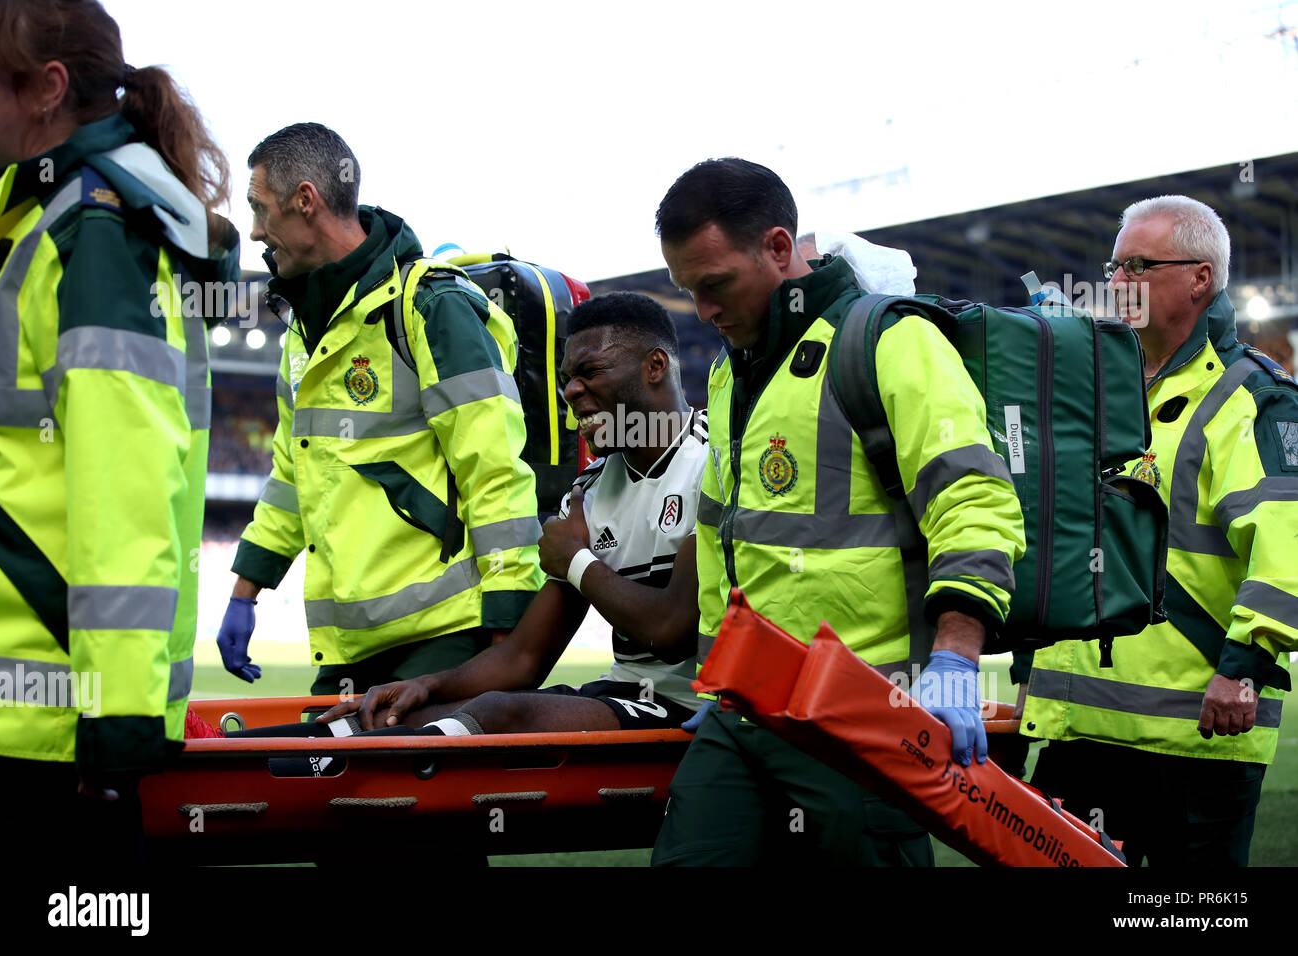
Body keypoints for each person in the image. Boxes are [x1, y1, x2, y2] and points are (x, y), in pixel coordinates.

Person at [649, 158, 1026, 867]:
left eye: (715, 285)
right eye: (688, 292)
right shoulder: (732, 371)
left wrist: (954, 657)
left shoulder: (888, 340)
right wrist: (715, 673)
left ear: (780, 248)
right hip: (742, 709)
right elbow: (718, 530)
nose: (703, 311)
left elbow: (974, 500)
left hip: (862, 716)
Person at [226, 292, 705, 747]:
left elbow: (671, 631)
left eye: (590, 371)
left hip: (693, 706)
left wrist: (577, 562)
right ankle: (228, 756)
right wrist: (426, 685)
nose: (571, 391)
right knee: (394, 713)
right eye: (565, 379)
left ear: (654, 366)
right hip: (624, 694)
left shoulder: (714, 464)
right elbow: (525, 657)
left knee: (498, 711)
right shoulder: (590, 491)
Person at [0, 0, 239, 861]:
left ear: (43, 88)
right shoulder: (42, 223)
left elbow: (124, 485)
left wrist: (116, 727)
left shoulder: (91, 233)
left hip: (42, 726)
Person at [216, 123, 543, 695]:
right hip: (351, 651)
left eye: (259, 209)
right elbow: (292, 476)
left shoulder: (430, 306)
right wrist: (246, 589)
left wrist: (507, 618)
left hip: (446, 638)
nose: (254, 230)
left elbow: (494, 472)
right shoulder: (304, 331)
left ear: (306, 200)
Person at [1024, 195, 1296, 867]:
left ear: (1201, 278)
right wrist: (1032, 666)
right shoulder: (1095, 393)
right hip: (1079, 730)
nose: (1115, 284)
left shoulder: (1252, 398)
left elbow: (1287, 539)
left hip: (1196, 737)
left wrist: (1247, 666)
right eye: (1113, 267)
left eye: (1137, 266)